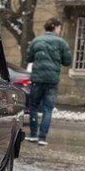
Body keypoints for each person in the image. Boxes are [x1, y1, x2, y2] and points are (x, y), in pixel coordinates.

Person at [25, 17, 72, 145]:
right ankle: (42, 137)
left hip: (37, 79)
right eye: (60, 28)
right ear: (55, 27)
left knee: (33, 106)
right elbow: (67, 61)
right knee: (47, 108)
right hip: (52, 80)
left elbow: (28, 57)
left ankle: (33, 134)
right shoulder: (61, 43)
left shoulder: (36, 41)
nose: (60, 30)